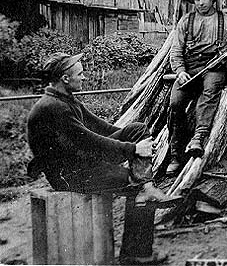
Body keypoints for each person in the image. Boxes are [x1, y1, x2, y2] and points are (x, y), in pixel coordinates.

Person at [27, 52, 178, 265]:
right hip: (69, 176)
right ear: (65, 78)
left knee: (137, 129)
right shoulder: (54, 107)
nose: (84, 77)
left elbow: (102, 129)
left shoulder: (65, 100)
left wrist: (134, 139)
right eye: (80, 73)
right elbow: (91, 142)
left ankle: (147, 185)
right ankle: (137, 254)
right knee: (135, 184)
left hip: (81, 164)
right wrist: (134, 149)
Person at [166, 0, 227, 175]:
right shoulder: (186, 21)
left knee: (210, 90)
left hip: (214, 67)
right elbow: (176, 51)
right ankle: (175, 155)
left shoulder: (226, 20)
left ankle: (198, 138)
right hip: (189, 68)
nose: (200, 3)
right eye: (197, 0)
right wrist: (180, 71)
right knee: (175, 103)